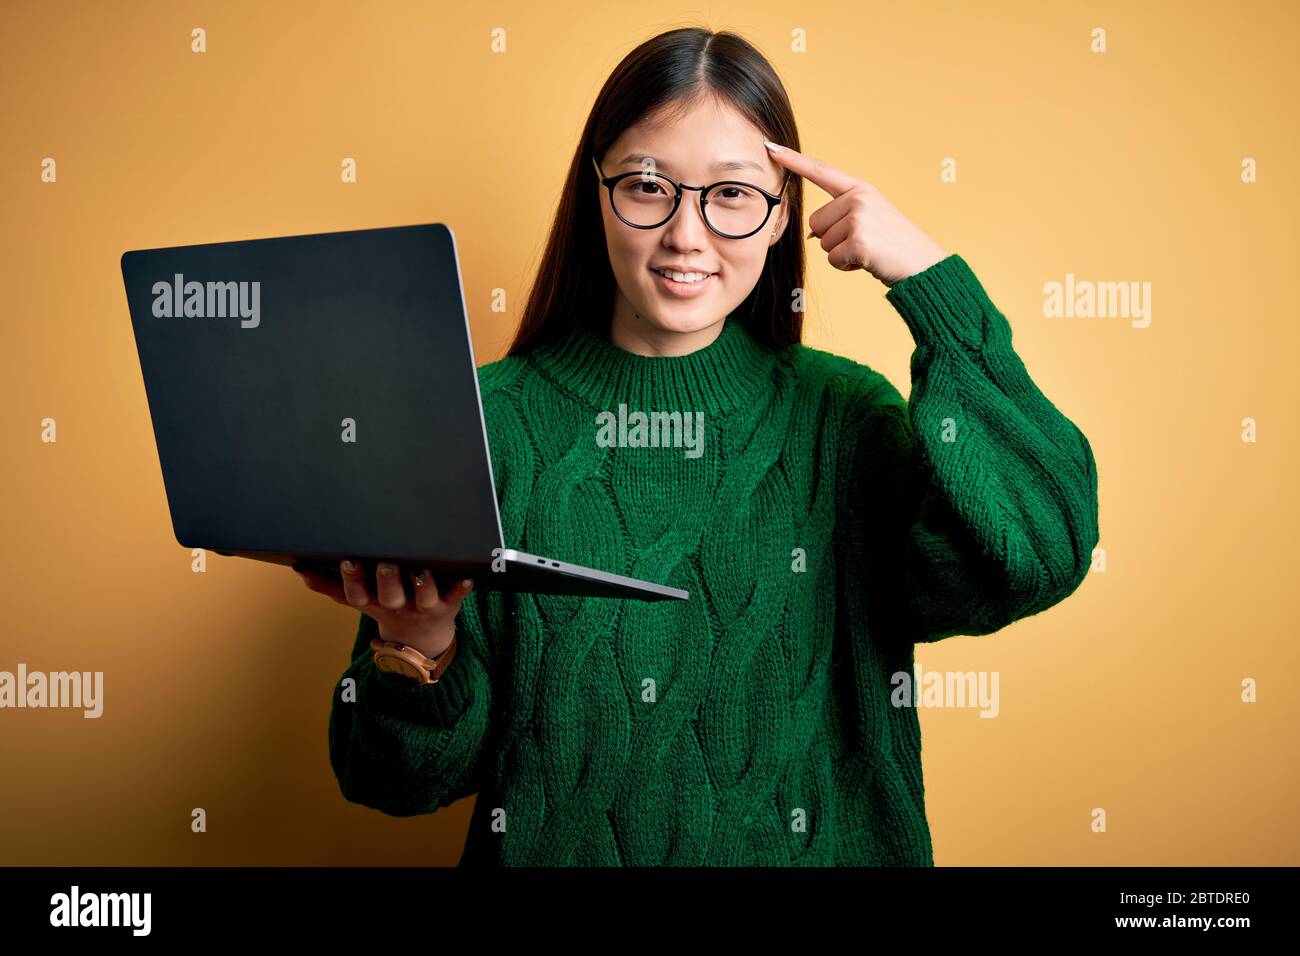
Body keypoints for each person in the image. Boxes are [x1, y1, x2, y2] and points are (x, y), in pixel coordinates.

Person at [296, 27, 1099, 866]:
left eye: (733, 194)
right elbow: (391, 783)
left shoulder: (847, 421)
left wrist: (932, 284)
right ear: (595, 193)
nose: (687, 233)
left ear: (782, 214)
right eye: (648, 186)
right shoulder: (482, 423)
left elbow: (1039, 554)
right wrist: (416, 643)